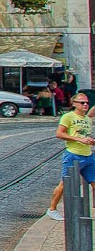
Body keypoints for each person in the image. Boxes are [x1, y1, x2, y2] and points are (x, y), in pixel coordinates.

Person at [46, 91, 94, 220]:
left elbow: (85, 136)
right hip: (73, 154)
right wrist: (78, 140)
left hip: (88, 155)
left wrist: (90, 141)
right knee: (65, 183)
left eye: (87, 103)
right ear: (74, 104)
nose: (85, 105)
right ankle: (52, 209)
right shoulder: (68, 117)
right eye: (82, 103)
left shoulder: (88, 119)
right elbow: (59, 134)